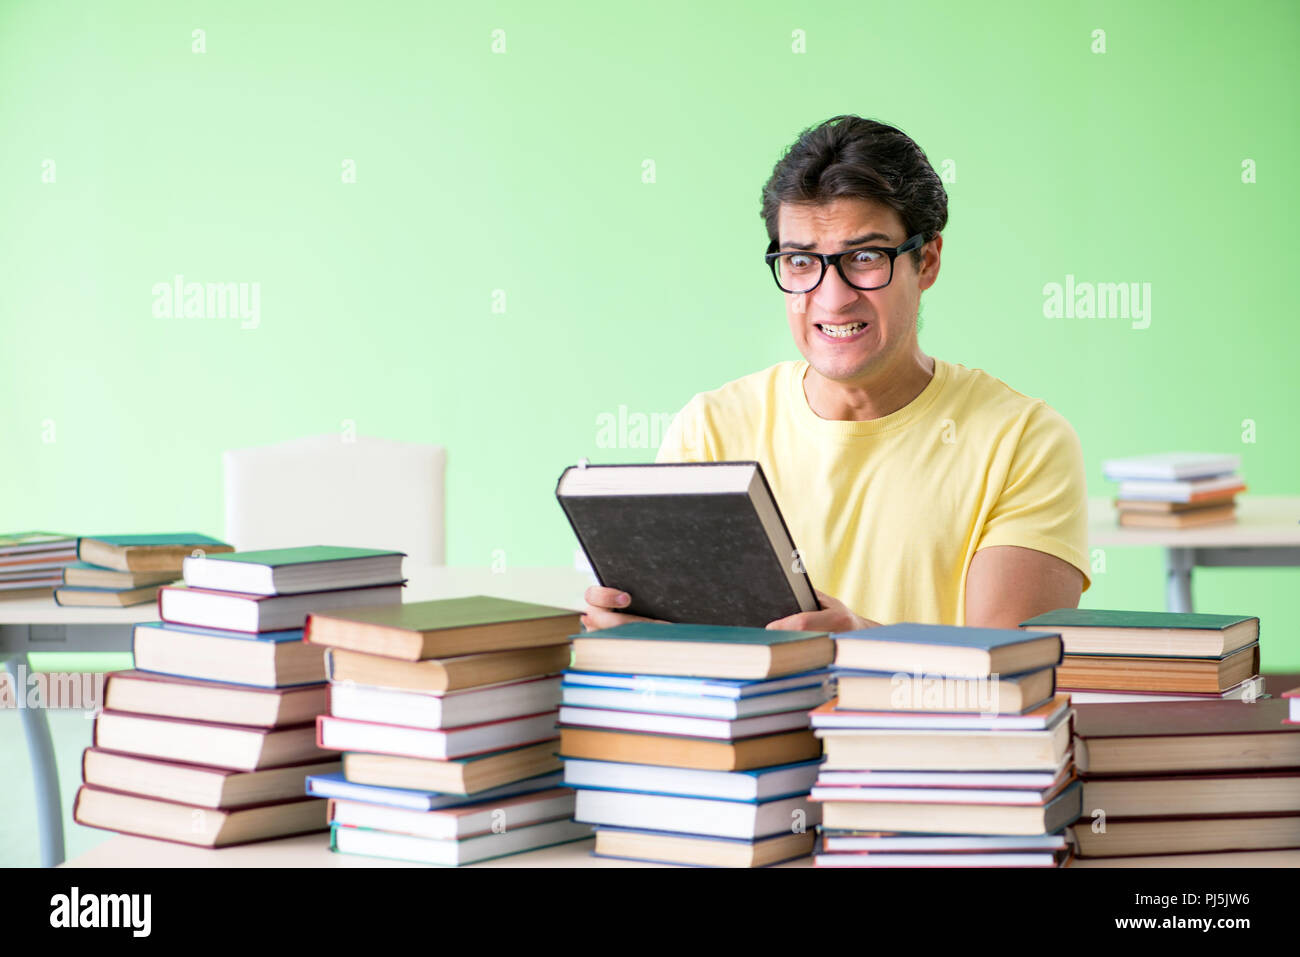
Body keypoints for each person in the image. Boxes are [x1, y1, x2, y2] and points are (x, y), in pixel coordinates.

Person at [583, 115, 1089, 634]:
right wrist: (638, 629)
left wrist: (860, 644)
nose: (833, 296)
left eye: (865, 257)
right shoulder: (710, 430)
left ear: (928, 261)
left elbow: (1015, 676)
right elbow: (691, 657)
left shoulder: (1025, 442)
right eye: (801, 261)